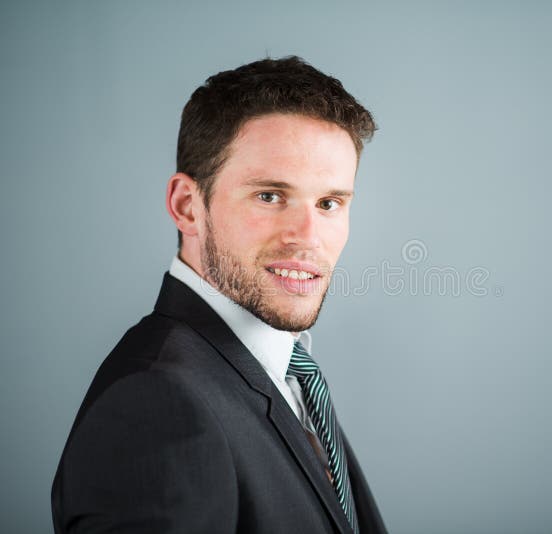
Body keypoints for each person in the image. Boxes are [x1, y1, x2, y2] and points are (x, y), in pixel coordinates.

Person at [51, 56, 387, 534]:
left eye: (329, 203)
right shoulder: (156, 404)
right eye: (270, 196)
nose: (308, 236)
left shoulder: (282, 372)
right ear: (187, 206)